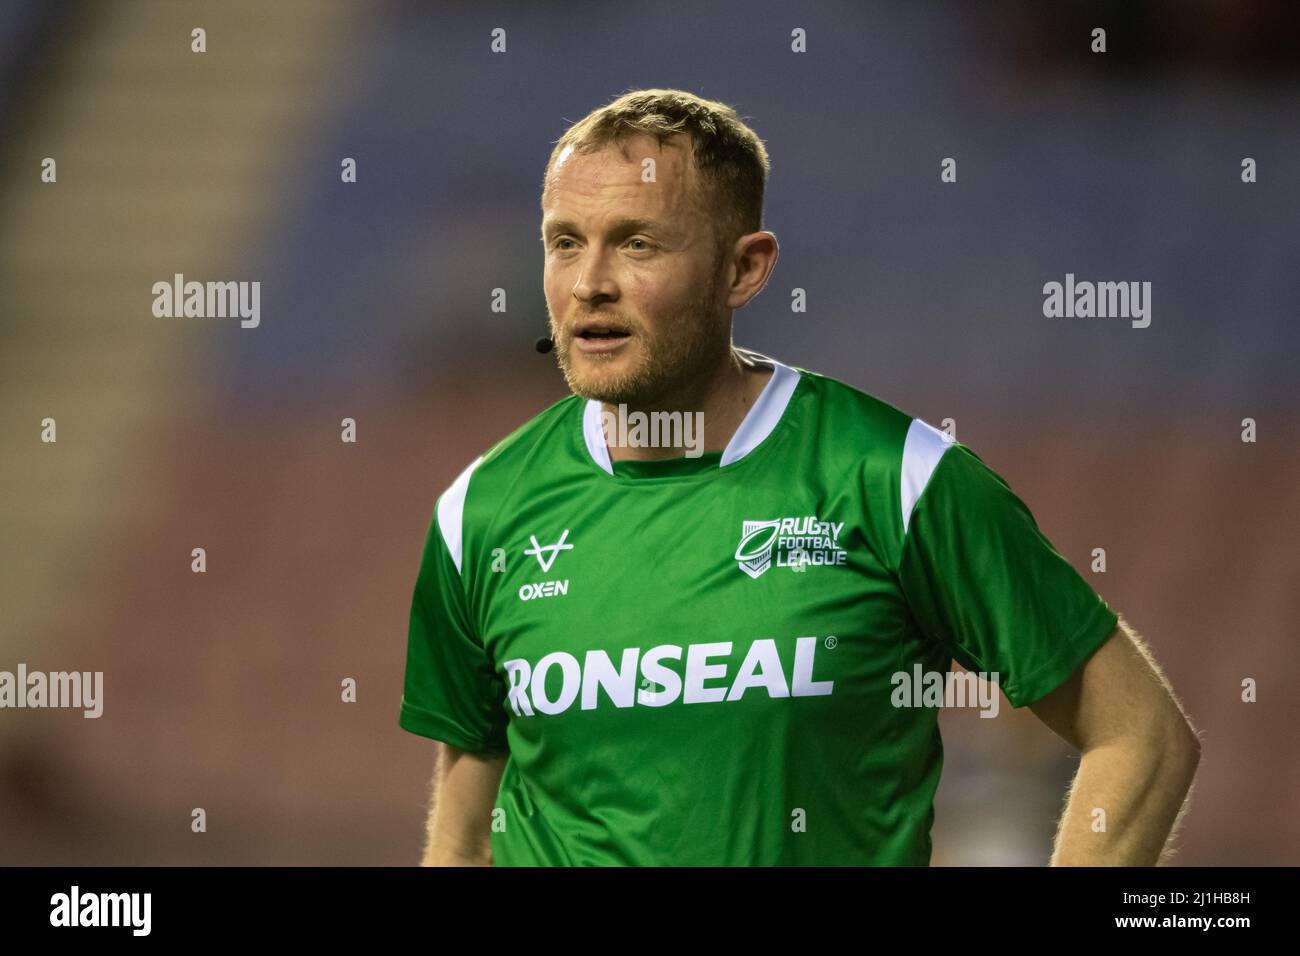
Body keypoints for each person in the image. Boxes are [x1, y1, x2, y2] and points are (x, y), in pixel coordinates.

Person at [398, 88, 1200, 866]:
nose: (588, 283)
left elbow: (1142, 737)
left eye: (638, 243)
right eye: (565, 242)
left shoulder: (896, 482)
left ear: (743, 269)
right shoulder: (482, 512)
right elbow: (466, 841)